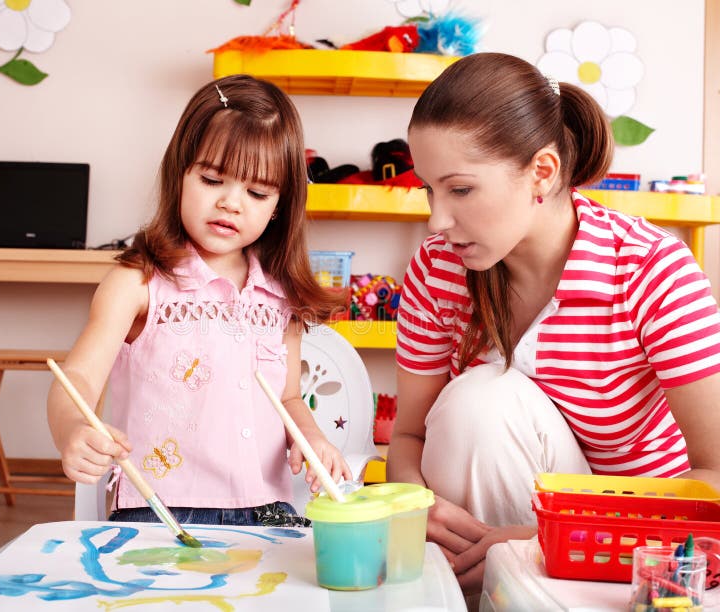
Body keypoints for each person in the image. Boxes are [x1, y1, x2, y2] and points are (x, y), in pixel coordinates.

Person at [387, 52, 720, 596]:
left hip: (628, 547)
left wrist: (535, 538)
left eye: (460, 189)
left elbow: (715, 478)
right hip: (482, 551)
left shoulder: (650, 269)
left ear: (541, 172)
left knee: (485, 400)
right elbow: (408, 435)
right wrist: (413, 505)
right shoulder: (437, 266)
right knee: (480, 402)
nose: (438, 219)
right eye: (428, 189)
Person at [48, 74, 351, 527]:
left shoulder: (279, 294)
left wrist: (312, 440)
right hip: (158, 509)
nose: (232, 203)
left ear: (279, 206)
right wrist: (72, 429)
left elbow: (287, 397)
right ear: (181, 174)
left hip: (268, 510)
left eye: (257, 192)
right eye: (213, 179)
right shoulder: (136, 281)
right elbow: (77, 379)